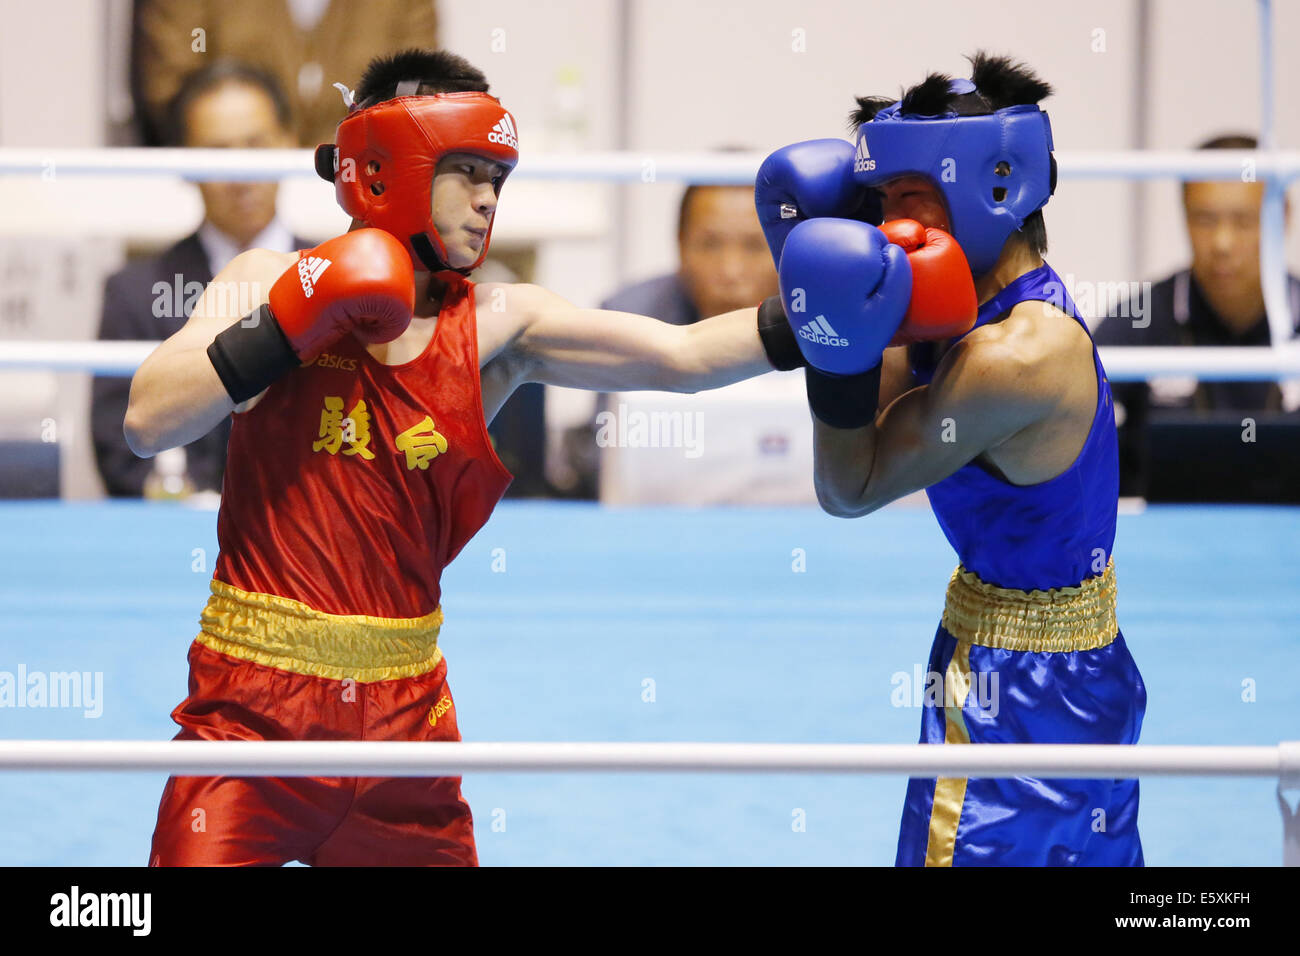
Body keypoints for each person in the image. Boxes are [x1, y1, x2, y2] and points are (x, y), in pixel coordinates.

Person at [127, 49, 782, 866]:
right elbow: (148, 418)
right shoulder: (266, 279)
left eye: (498, 178)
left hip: (407, 725)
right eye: (465, 170)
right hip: (249, 715)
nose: (487, 200)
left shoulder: (502, 323)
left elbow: (681, 357)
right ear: (385, 168)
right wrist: (292, 322)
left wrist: (825, 314)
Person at [756, 52, 1145, 865]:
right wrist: (808, 301)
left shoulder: (1015, 356)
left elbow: (850, 485)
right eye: (876, 200)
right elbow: (753, 353)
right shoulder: (974, 308)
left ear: (992, 185)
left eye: (904, 196)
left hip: (1010, 693)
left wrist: (837, 342)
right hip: (1074, 672)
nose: (884, 225)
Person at [94, 61, 308, 497]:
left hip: (316, 533)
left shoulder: (338, 276)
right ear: (186, 161)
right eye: (218, 151)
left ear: (290, 142)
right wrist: (188, 496)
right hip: (175, 536)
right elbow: (117, 446)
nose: (241, 173)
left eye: (256, 144)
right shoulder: (134, 293)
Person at [1092, 134, 1300, 498]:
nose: (1221, 242)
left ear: (1282, 217)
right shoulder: (1137, 321)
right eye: (1205, 219)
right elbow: (1070, 445)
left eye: (1243, 220)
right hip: (1165, 546)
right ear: (1185, 217)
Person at [131, 0, 440, 146]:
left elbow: (415, 93)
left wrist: (330, 159)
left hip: (364, 188)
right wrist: (258, 145)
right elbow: (172, 90)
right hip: (228, 191)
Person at [601, 179, 779, 324]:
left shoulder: (806, 317)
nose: (730, 272)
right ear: (681, 244)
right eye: (710, 245)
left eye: (754, 246)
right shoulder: (626, 321)